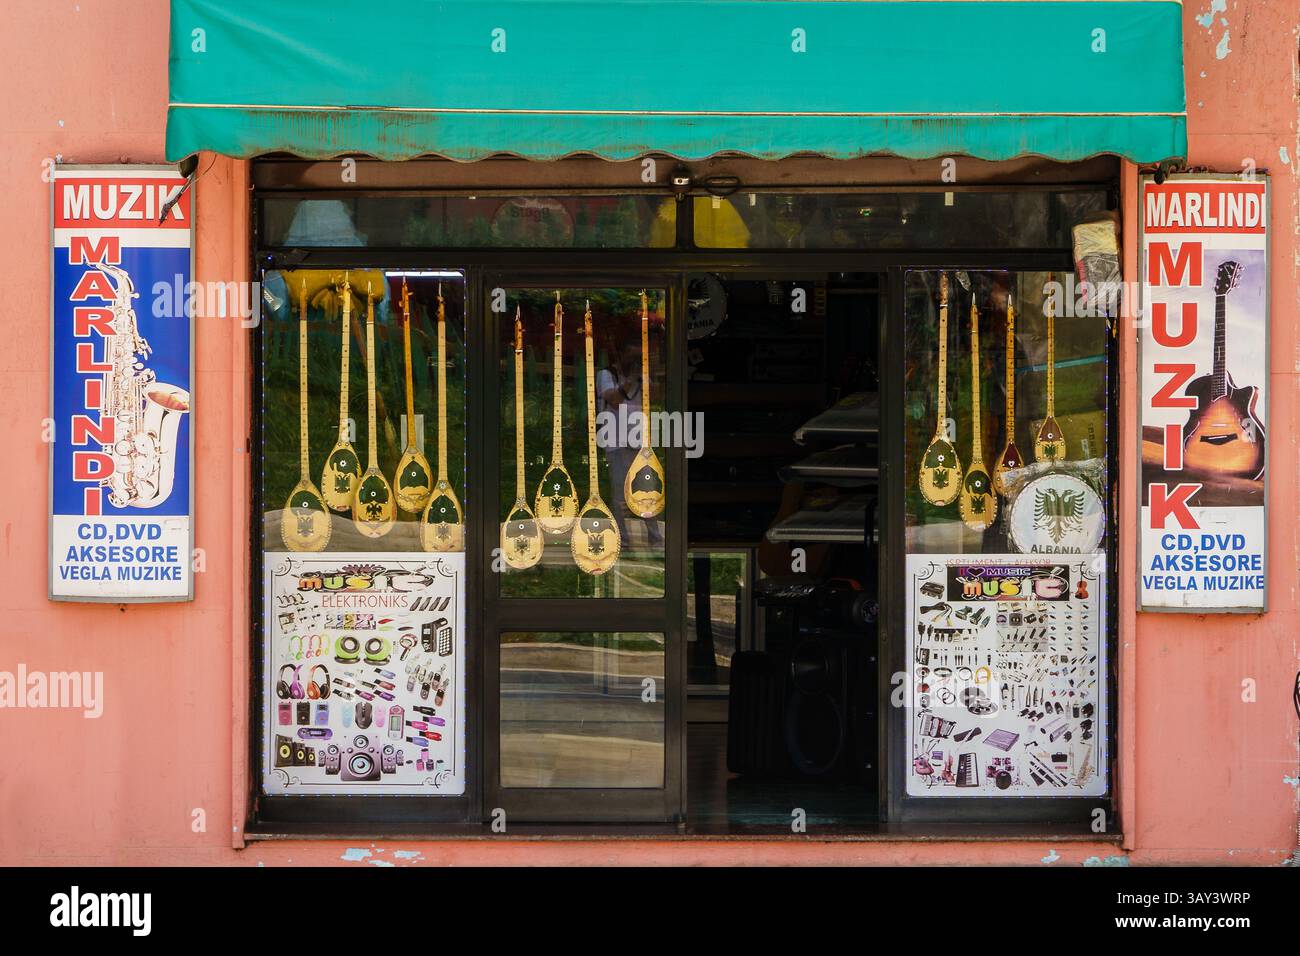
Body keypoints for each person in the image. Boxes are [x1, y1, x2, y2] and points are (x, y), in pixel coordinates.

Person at [597, 341, 661, 545]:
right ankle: (622, 536)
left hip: (639, 442)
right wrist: (631, 380)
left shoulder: (641, 376)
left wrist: (648, 374)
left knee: (647, 488)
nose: (635, 362)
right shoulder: (607, 375)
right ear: (620, 356)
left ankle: (653, 534)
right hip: (616, 442)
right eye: (632, 357)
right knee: (619, 491)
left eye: (638, 358)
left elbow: (656, 396)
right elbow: (613, 398)